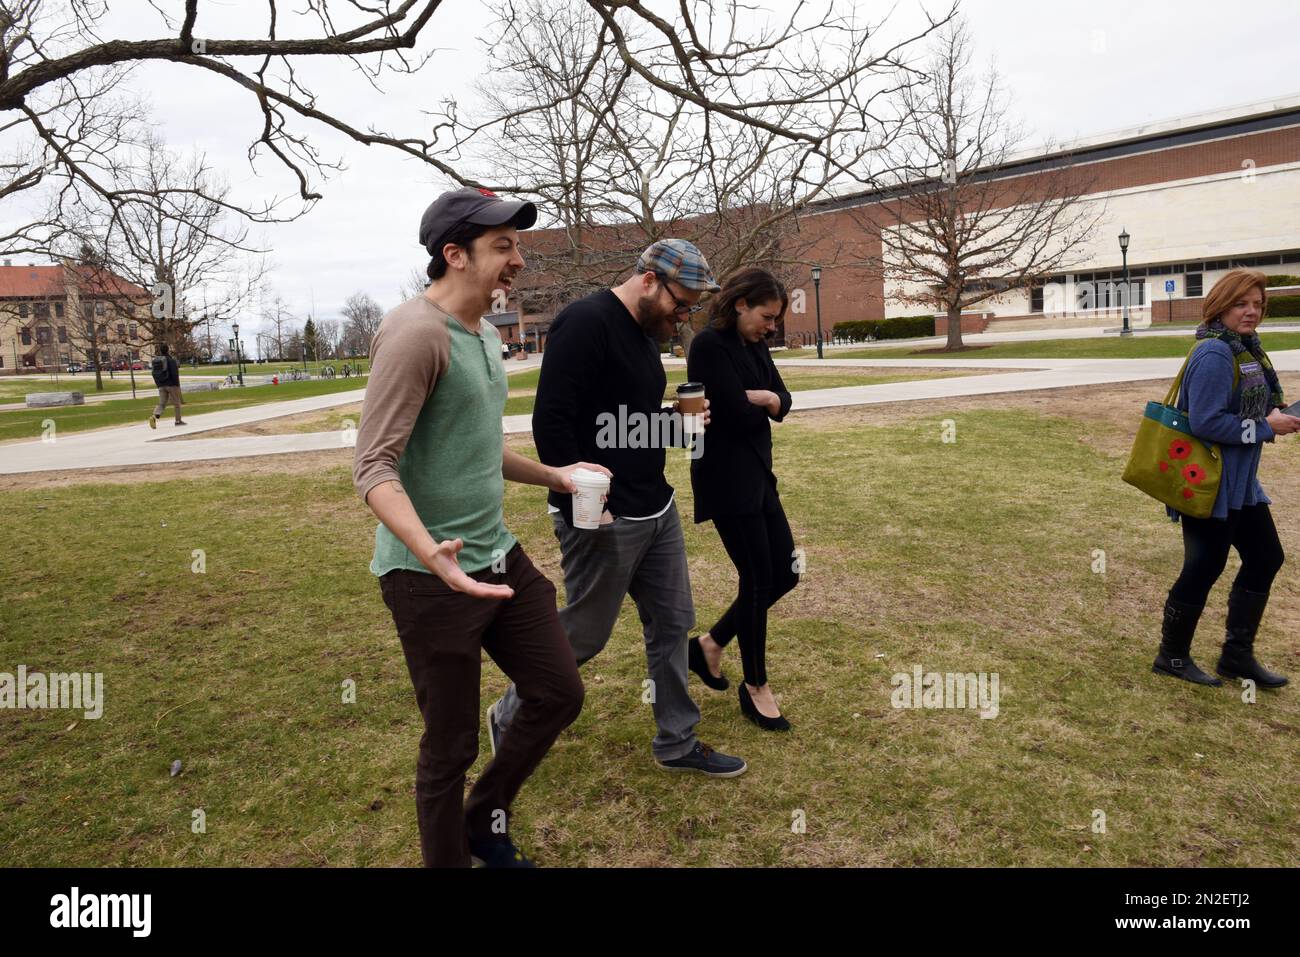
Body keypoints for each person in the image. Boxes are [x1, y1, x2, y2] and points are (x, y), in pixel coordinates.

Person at [353, 186, 605, 867]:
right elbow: (373, 467)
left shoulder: (486, 336)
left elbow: (475, 443)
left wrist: (556, 476)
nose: (518, 260)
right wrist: (428, 549)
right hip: (430, 576)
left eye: (516, 245)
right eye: (503, 247)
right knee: (450, 746)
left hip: (497, 556)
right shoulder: (414, 334)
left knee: (558, 691)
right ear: (454, 255)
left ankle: (483, 818)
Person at [488, 239, 748, 777]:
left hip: (656, 506)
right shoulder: (585, 323)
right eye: (682, 302)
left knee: (674, 624)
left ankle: (677, 741)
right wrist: (584, 502)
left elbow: (622, 416)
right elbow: (552, 422)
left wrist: (676, 424)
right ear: (650, 280)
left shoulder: (644, 333)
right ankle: (510, 717)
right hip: (602, 514)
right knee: (586, 633)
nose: (685, 315)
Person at [1155, 268, 1297, 688]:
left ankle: (1236, 656)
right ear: (1221, 305)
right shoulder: (1215, 353)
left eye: (1257, 304)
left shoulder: (1247, 349)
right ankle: (1173, 657)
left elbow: (1249, 409)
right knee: (1203, 567)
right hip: (1209, 482)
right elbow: (1206, 423)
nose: (1251, 311)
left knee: (1266, 556)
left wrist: (1281, 414)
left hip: (1241, 483)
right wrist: (1269, 427)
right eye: (1241, 303)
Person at [685, 268, 798, 730]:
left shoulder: (756, 346)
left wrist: (767, 398)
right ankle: (756, 688)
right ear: (740, 305)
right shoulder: (709, 345)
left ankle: (708, 645)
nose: (771, 327)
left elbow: (784, 403)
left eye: (775, 320)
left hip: (759, 476)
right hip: (726, 479)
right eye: (766, 316)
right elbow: (729, 414)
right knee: (756, 579)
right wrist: (761, 404)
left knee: (786, 572)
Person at [147, 343, 185, 428]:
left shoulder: (157, 361)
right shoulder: (171, 360)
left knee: (162, 403)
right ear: (168, 350)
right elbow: (175, 374)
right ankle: (178, 421)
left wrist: (159, 385)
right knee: (176, 403)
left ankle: (154, 416)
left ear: (160, 351)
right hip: (171, 385)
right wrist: (177, 385)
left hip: (161, 385)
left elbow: (153, 373)